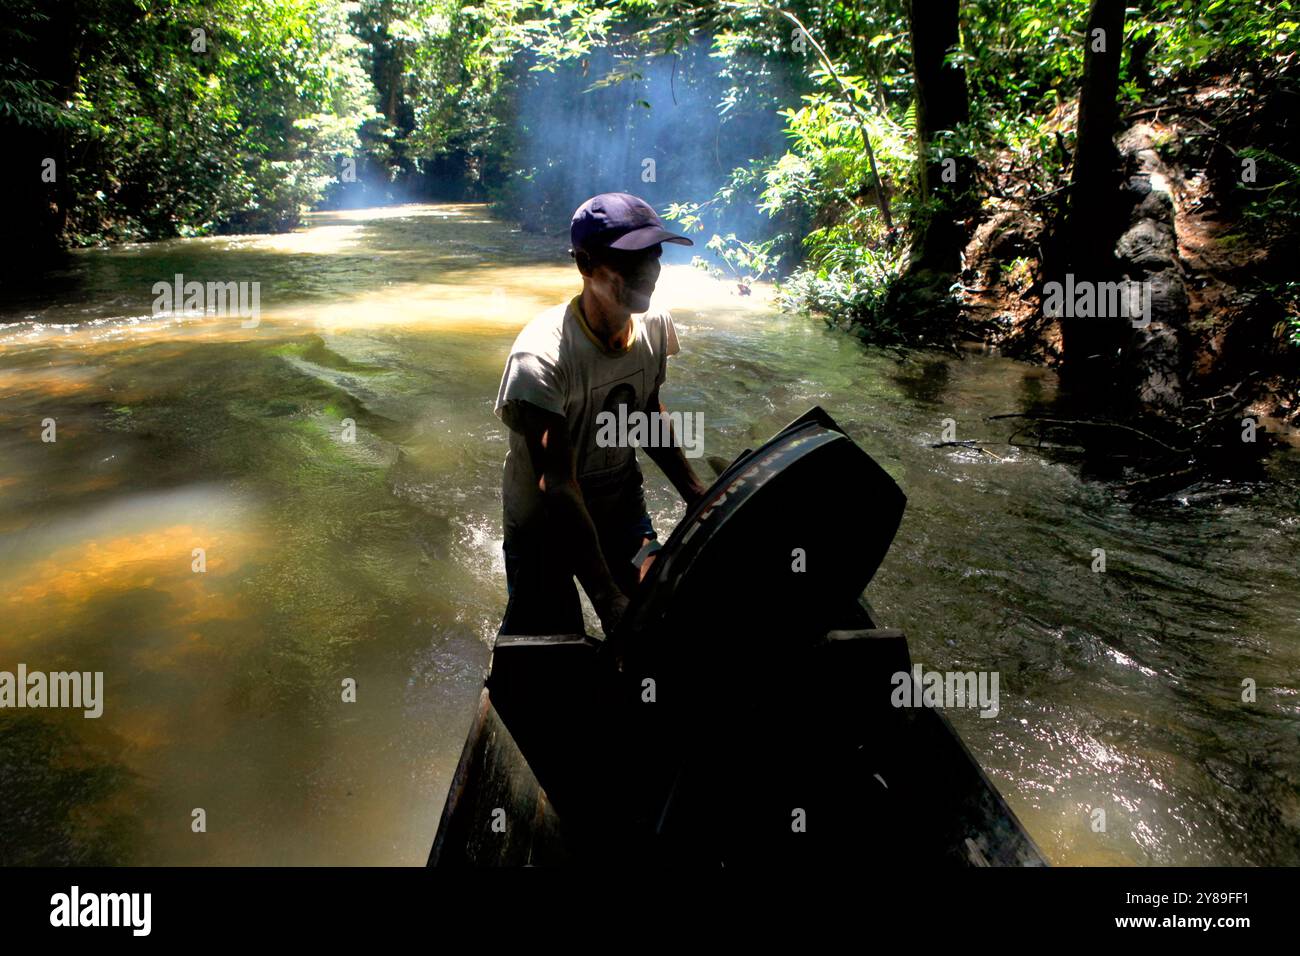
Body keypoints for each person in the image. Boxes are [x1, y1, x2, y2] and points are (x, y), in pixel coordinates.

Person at [494, 192, 709, 637]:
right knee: (553, 644)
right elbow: (556, 484)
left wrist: (697, 494)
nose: (650, 270)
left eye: (655, 254)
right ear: (586, 264)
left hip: (619, 509)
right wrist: (606, 594)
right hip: (544, 521)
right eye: (632, 259)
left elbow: (646, 413)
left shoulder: (653, 325)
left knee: (657, 609)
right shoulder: (540, 357)